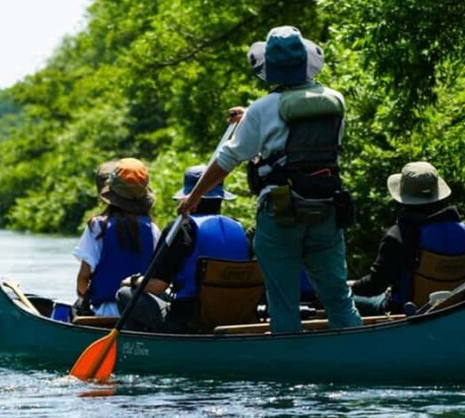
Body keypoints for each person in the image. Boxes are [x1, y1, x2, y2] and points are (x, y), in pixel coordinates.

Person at [177, 25, 362, 334]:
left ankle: (289, 369)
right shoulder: (335, 100)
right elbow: (293, 118)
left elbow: (228, 159)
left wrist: (193, 197)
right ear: (306, 61)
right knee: (338, 296)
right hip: (328, 206)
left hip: (281, 212)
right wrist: (250, 116)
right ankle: (359, 351)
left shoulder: (262, 110)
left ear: (270, 67)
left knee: (283, 300)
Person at [116, 165, 250, 332]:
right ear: (220, 198)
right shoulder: (239, 228)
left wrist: (133, 281)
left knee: (125, 294)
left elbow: (157, 286)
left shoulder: (181, 229)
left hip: (189, 320)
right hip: (237, 316)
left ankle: (140, 348)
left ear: (192, 199)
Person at [351, 161, 465, 315]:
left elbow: (375, 286)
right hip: (454, 308)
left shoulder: (397, 236)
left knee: (346, 299)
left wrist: (350, 288)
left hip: (404, 310)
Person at [73, 158, 161, 316]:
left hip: (104, 311)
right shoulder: (153, 230)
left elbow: (83, 278)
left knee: (76, 308)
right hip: (139, 314)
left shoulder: (97, 227)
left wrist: (84, 296)